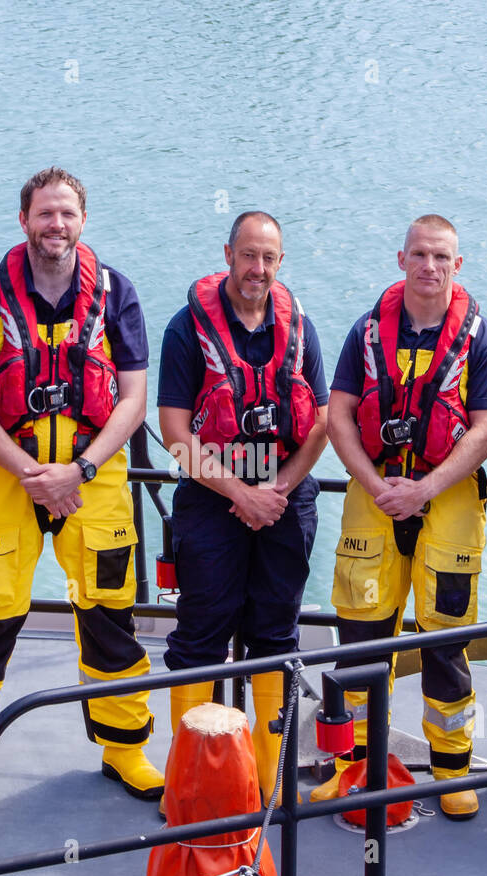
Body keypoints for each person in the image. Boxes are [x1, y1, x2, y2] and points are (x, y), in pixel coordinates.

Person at [0, 168, 160, 820]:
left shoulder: (118, 294)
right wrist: (32, 472)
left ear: (82, 220)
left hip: (96, 478)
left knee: (110, 617)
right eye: (43, 214)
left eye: (66, 214)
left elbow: (133, 396)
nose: (55, 225)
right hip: (8, 477)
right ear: (24, 221)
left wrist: (80, 470)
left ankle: (124, 747)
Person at [319, 215, 487, 820]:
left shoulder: (480, 337)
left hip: (446, 496)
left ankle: (451, 771)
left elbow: (486, 429)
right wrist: (378, 486)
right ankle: (360, 769)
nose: (430, 266)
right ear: (400, 260)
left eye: (442, 257)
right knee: (361, 639)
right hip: (373, 494)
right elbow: (339, 415)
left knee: (445, 639)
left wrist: (424, 487)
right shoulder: (367, 331)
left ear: (459, 264)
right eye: (420, 255)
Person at [158, 210, 329, 803]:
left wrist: (275, 490)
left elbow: (322, 423)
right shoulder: (186, 330)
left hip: (284, 496)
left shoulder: (300, 330)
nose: (257, 269)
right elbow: (176, 431)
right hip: (212, 498)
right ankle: (193, 782)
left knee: (277, 634)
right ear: (228, 253)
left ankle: (268, 778)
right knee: (201, 634)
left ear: (280, 263)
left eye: (269, 258)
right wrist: (240, 492)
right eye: (248, 255)